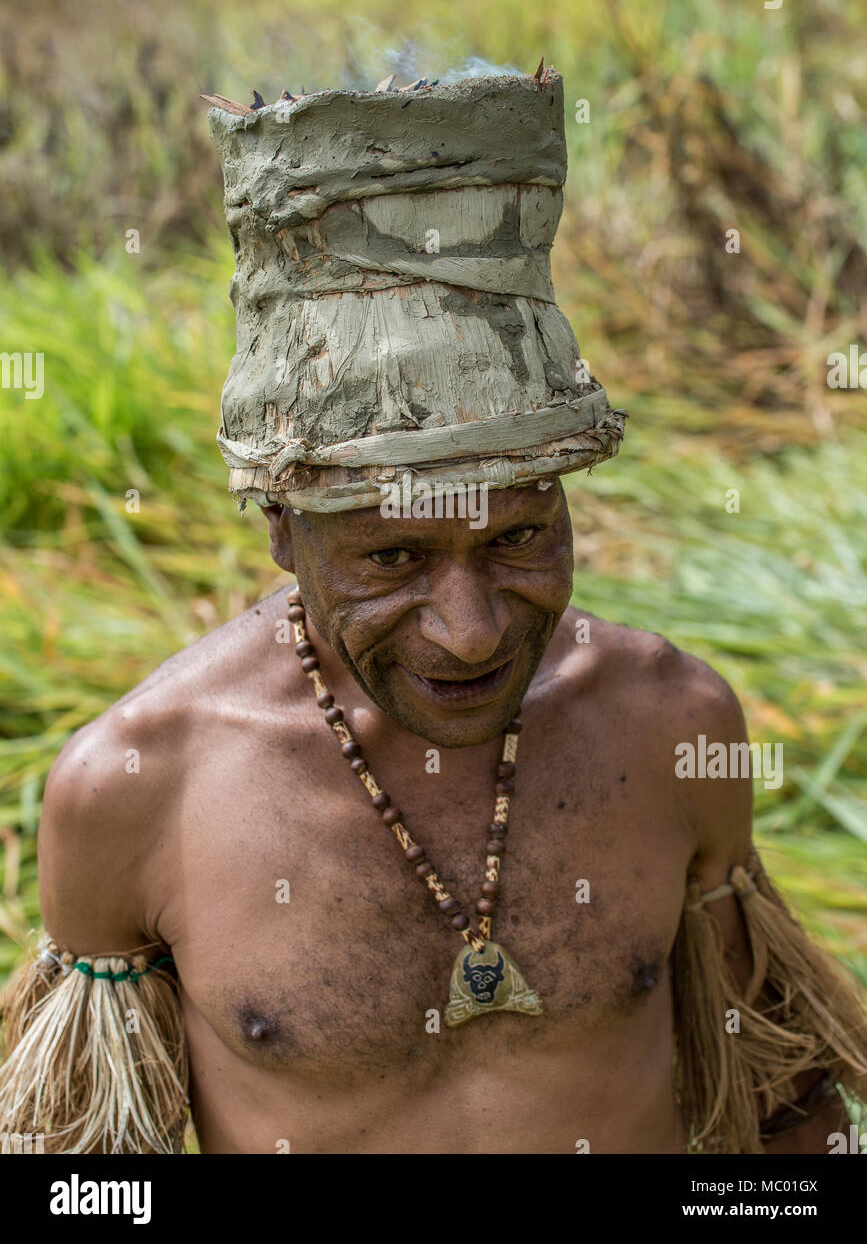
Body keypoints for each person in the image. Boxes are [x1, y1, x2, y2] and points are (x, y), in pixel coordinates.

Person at [1, 71, 864, 1154]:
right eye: (394, 557)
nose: (471, 630)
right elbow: (79, 1176)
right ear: (281, 525)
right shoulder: (134, 792)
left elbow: (784, 1105)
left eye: (516, 540)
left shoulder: (676, 727)